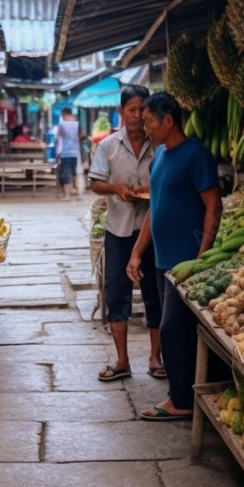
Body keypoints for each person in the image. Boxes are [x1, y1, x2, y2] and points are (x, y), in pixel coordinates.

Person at [126, 92, 221, 421]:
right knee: (175, 332)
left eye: (149, 120)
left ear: (169, 120)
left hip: (187, 262)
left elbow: (213, 205)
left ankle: (182, 400)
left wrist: (203, 254)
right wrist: (137, 252)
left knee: (172, 329)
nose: (145, 126)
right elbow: (154, 208)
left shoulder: (196, 155)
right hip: (161, 259)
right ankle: (184, 393)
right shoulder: (160, 157)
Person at [88, 86, 163, 382]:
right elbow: (95, 183)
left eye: (141, 110)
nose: (136, 116)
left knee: (154, 294)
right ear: (120, 112)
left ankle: (155, 358)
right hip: (118, 230)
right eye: (131, 110)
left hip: (152, 231)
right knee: (116, 293)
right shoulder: (108, 146)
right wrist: (116, 189)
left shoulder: (158, 144)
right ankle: (122, 360)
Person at [56, 107, 84, 200]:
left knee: (66, 173)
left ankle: (67, 195)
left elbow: (58, 138)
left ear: (64, 114)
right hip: (75, 152)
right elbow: (83, 134)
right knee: (74, 173)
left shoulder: (62, 125)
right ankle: (77, 193)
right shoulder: (77, 124)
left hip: (65, 152)